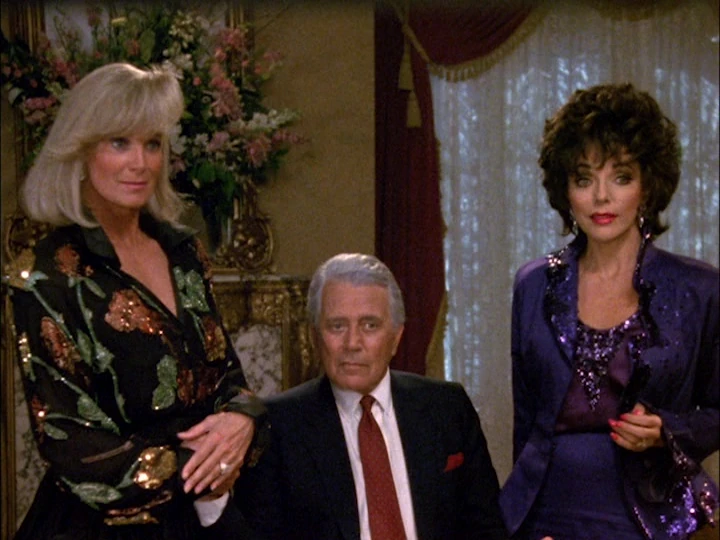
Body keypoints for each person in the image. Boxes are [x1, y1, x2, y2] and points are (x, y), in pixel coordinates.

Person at [6, 62, 267, 540]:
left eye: (152, 144)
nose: (140, 163)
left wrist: (241, 420)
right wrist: (196, 467)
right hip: (102, 525)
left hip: (204, 510)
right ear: (80, 150)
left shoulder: (183, 252)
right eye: (119, 143)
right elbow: (68, 439)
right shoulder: (45, 276)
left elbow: (226, 375)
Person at [499, 82, 719, 539]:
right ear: (565, 190)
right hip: (546, 517)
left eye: (620, 177)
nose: (601, 197)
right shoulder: (533, 285)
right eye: (584, 179)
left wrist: (666, 430)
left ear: (648, 185)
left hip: (652, 518)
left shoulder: (700, 289)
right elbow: (527, 425)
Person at [235, 252, 508, 539]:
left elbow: (487, 529)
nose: (352, 343)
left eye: (370, 325)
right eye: (337, 326)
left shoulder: (448, 407)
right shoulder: (277, 424)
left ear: (396, 337)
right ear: (315, 337)